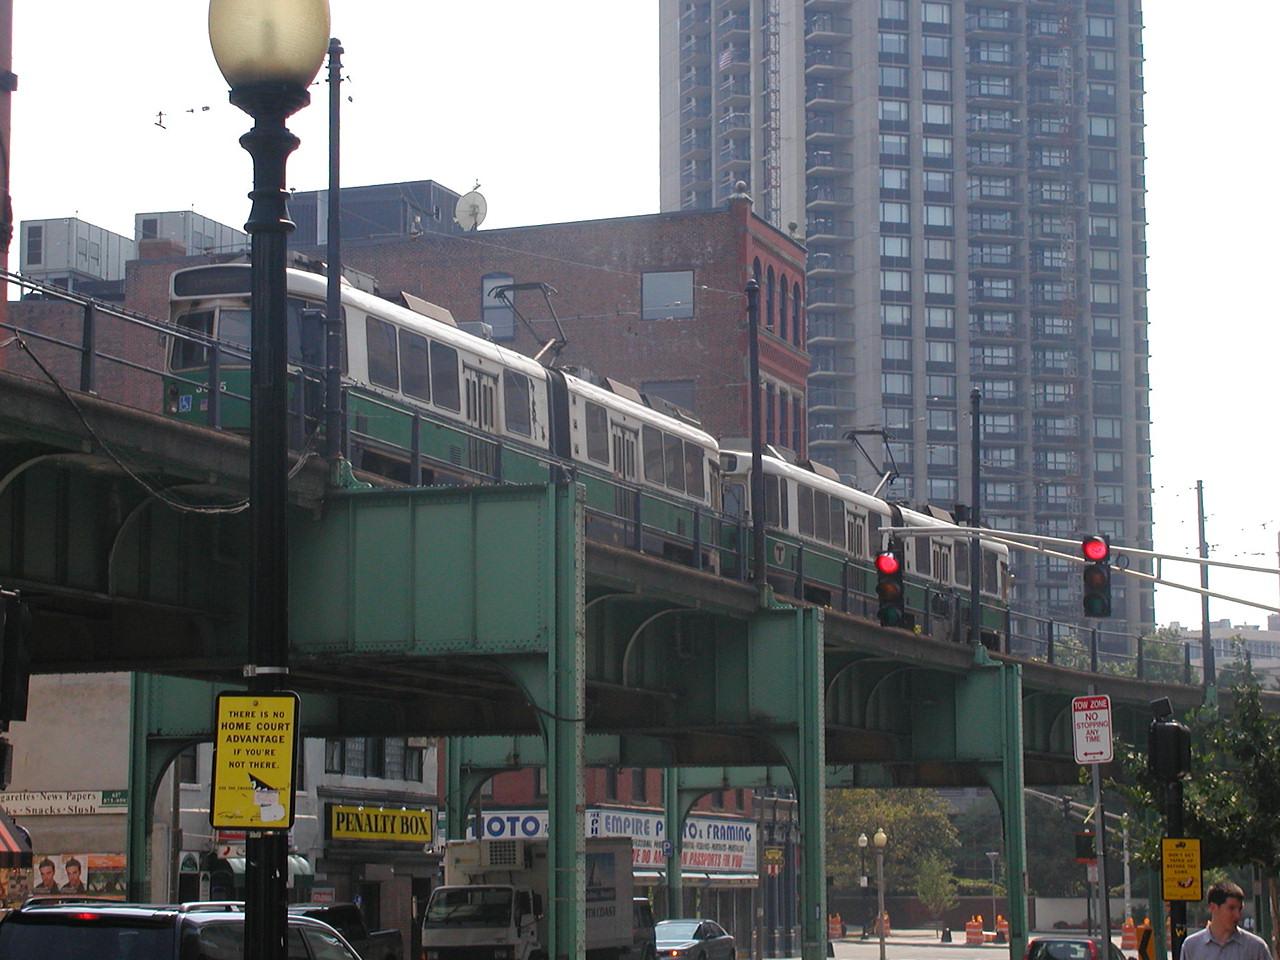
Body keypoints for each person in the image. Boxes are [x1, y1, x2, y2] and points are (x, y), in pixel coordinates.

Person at [1181, 880, 1273, 960]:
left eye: (1239, 909)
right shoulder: (1191, 947)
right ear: (1213, 907)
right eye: (1231, 908)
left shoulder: (1255, 948)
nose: (1237, 915)